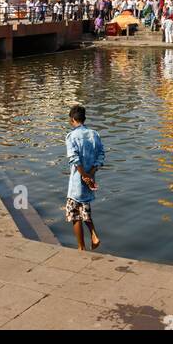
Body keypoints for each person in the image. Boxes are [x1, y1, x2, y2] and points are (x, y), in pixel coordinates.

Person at [65, 105, 106, 252]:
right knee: (85, 210)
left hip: (77, 181)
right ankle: (94, 236)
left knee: (75, 215)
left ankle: (81, 247)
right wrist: (90, 174)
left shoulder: (71, 136)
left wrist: (84, 175)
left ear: (72, 120)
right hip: (90, 179)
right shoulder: (94, 134)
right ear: (84, 118)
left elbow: (74, 159)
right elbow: (101, 156)